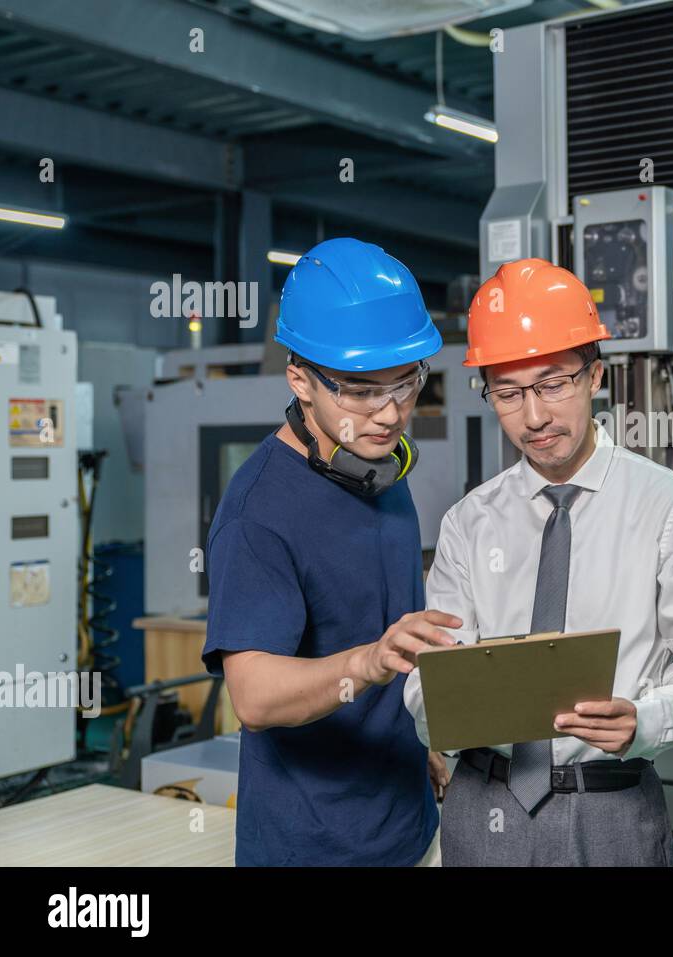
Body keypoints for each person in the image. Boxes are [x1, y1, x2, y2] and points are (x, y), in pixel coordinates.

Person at [403, 257, 673, 866]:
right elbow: (427, 684)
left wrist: (645, 720)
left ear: (594, 377)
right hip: (481, 807)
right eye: (506, 392)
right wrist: (435, 704)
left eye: (552, 383)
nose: (533, 417)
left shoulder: (667, 506)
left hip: (608, 812)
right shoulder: (468, 523)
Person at [202, 237, 457, 866]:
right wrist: (370, 662)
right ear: (299, 378)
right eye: (360, 390)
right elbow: (255, 696)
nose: (390, 414)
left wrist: (415, 741)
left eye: (406, 383)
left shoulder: (380, 472)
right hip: (313, 848)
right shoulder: (258, 512)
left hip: (409, 825)